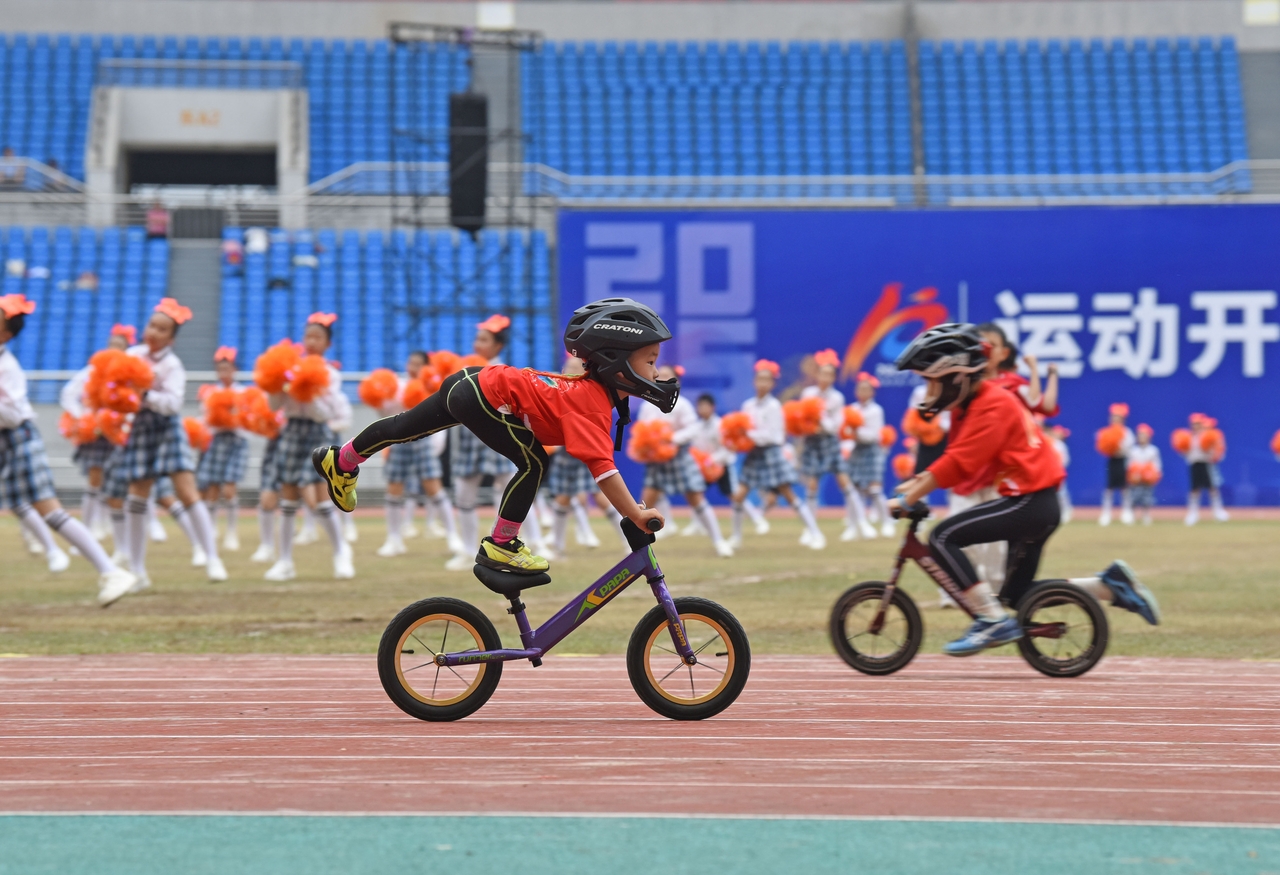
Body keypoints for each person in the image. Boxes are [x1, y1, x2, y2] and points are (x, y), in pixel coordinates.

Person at [313, 297, 676, 574]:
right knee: (534, 463)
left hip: (470, 381)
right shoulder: (591, 404)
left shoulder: (587, 393)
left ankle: (342, 460)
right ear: (617, 362)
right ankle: (502, 543)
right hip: (484, 393)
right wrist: (635, 514)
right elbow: (604, 471)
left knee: (402, 427)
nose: (657, 372)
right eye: (651, 360)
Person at [891, 324, 1159, 656]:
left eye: (931, 381)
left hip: (1030, 503)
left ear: (956, 378)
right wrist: (914, 485)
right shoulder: (980, 402)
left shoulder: (992, 404)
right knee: (1016, 596)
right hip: (1037, 503)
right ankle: (1108, 586)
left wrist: (910, 496)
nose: (928, 391)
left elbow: (960, 463)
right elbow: (956, 457)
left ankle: (990, 620)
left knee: (942, 537)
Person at [0, 294, 138, 605]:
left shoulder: (7, 367)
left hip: (16, 439)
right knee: (36, 508)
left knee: (50, 510)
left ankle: (109, 571)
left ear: (5, 334)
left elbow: (12, 414)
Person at [118, 299, 227, 588]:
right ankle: (137, 571)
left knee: (187, 492)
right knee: (137, 496)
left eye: (162, 329)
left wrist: (144, 395)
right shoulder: (132, 355)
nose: (154, 332)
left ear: (172, 338)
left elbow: (173, 403)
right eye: (152, 325)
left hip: (166, 427)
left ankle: (212, 557)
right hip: (140, 427)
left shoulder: (172, 365)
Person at [444, 314, 544, 571]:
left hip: (497, 435)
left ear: (498, 345)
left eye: (484, 340)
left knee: (513, 490)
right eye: (477, 339)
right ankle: (468, 550)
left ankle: (536, 541)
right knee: (464, 493)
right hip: (470, 438)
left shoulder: (503, 371)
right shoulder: (466, 367)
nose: (477, 344)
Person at [264, 313, 354, 581]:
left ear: (328, 343)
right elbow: (274, 406)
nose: (312, 341)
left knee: (321, 496)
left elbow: (324, 413)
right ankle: (284, 561)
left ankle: (341, 553)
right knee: (288, 497)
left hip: (317, 432)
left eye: (318, 337)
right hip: (292, 431)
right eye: (308, 336)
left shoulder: (330, 374)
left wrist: (307, 391)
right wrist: (277, 385)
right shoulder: (290, 368)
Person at [637, 364, 733, 558]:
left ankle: (719, 542)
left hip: (679, 455)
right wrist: (649, 443)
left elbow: (692, 430)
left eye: (667, 375)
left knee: (696, 498)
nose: (661, 378)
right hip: (657, 459)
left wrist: (671, 439)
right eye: (659, 375)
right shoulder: (647, 405)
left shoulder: (682, 404)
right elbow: (641, 428)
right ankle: (637, 548)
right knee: (645, 502)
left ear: (675, 380)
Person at [730, 359, 825, 550]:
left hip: (771, 453)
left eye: (767, 380)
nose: (762, 383)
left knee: (789, 495)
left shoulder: (774, 406)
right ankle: (736, 538)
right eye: (759, 379)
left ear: (773, 384)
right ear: (754, 381)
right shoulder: (748, 405)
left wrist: (750, 434)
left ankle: (816, 533)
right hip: (754, 454)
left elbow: (775, 435)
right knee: (739, 496)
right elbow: (743, 430)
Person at [376, 350, 458, 558]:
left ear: (426, 367)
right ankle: (393, 539)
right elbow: (387, 414)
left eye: (417, 364)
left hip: (423, 439)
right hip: (400, 440)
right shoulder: (399, 386)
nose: (412, 367)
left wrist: (436, 445)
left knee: (434, 487)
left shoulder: (432, 388)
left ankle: (453, 536)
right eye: (410, 362)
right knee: (394, 488)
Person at [59, 324, 136, 541]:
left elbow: (134, 400)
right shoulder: (92, 370)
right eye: (112, 344)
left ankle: (104, 523)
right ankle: (86, 530)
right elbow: (68, 393)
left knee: (114, 480)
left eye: (119, 345)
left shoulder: (128, 374)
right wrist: (82, 416)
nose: (114, 348)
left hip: (118, 432)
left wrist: (125, 421)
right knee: (95, 479)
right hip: (96, 432)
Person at [797, 349, 868, 543]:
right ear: (817, 374)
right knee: (812, 485)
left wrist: (820, 418)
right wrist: (809, 424)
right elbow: (801, 418)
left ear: (834, 377)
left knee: (844, 481)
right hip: (812, 442)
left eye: (829, 374)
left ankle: (861, 523)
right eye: (822, 373)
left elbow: (836, 425)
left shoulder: (837, 398)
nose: (825, 378)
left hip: (829, 441)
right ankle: (810, 529)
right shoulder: (808, 394)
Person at [196, 347, 250, 552]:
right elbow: (205, 418)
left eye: (227, 369)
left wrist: (234, 416)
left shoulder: (242, 392)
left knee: (229, 488)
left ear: (235, 369)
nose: (223, 373)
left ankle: (231, 532)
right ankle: (211, 529)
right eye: (220, 369)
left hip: (236, 440)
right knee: (212, 488)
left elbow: (248, 418)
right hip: (217, 440)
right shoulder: (210, 392)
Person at [845, 371, 894, 539]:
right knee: (854, 490)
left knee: (874, 489)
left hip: (872, 450)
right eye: (860, 388)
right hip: (857, 450)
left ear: (872, 392)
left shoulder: (876, 410)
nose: (863, 392)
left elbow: (873, 435)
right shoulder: (851, 409)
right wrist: (848, 442)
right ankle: (853, 526)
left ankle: (887, 522)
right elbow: (845, 432)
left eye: (866, 389)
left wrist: (856, 432)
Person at [1181, 413, 1228, 526]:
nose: (1196, 426)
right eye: (1194, 424)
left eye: (1198, 424)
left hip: (1206, 464)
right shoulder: (1188, 437)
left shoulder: (1208, 436)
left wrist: (1215, 455)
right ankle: (1193, 514)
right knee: (1194, 490)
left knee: (1212, 488)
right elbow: (1185, 452)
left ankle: (1218, 512)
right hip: (1194, 464)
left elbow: (1217, 449)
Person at [1097, 402, 1135, 526]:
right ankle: (1106, 513)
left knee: (1125, 488)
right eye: (1114, 417)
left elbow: (1129, 448)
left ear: (1123, 419)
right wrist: (1109, 447)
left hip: (1123, 461)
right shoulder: (1106, 432)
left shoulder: (1127, 432)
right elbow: (1102, 446)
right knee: (1109, 488)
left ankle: (1127, 512)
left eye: (1118, 417)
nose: (1115, 420)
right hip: (1112, 461)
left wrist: (1118, 446)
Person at [1126, 423, 1161, 526]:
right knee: (1133, 497)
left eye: (1144, 435)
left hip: (1147, 479)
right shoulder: (1133, 450)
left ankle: (1146, 515)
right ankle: (1132, 515)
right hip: (1135, 479)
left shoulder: (1153, 450)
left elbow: (1157, 465)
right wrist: (1133, 474)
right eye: (1140, 435)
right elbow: (1129, 464)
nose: (1142, 437)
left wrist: (1152, 474)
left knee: (1147, 498)